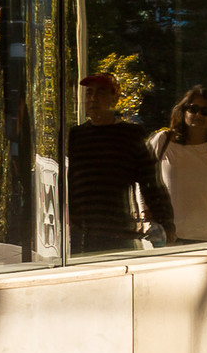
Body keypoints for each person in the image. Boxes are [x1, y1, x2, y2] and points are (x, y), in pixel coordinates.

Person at [65, 70, 173, 257]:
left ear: (114, 99)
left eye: (101, 92)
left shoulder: (130, 134)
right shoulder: (76, 135)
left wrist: (166, 222)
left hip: (118, 230)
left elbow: (150, 182)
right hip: (81, 231)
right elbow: (69, 182)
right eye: (89, 93)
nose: (93, 99)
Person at [154, 85, 207, 244]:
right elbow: (143, 178)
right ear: (184, 111)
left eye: (206, 111)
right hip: (172, 235)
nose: (198, 115)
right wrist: (145, 216)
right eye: (193, 109)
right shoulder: (165, 141)